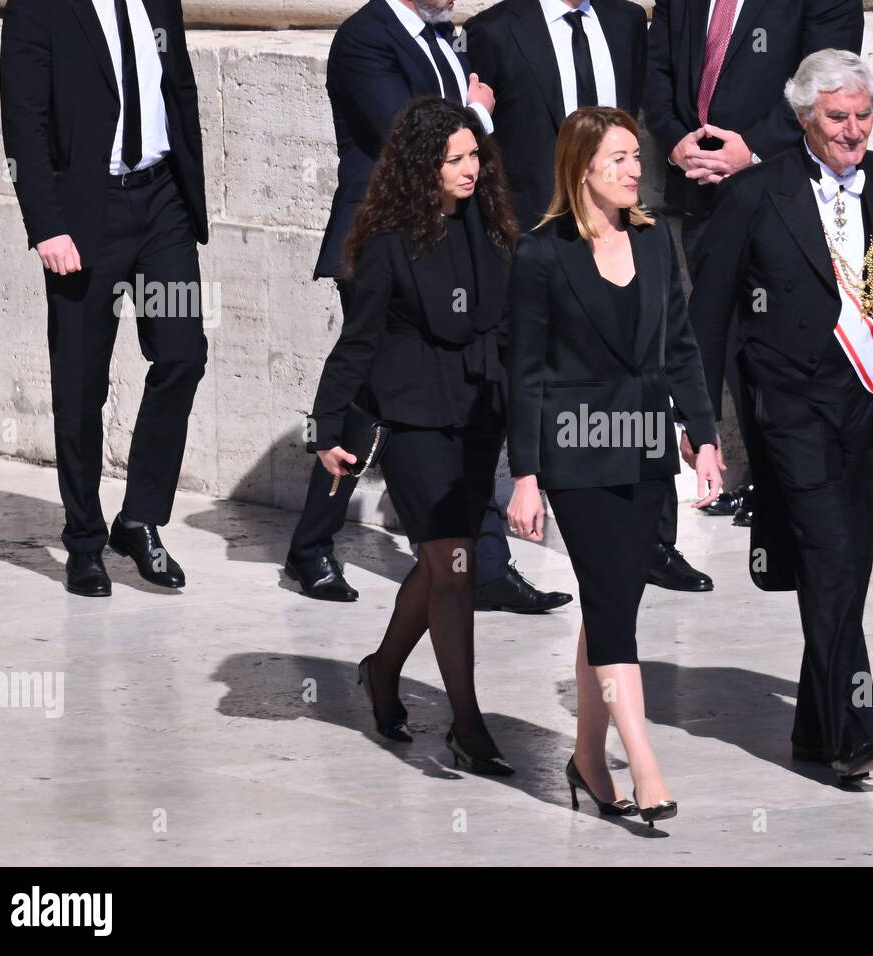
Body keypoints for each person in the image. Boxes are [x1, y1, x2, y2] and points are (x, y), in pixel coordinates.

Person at [689, 50, 873, 781]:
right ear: (804, 121)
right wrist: (700, 427)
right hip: (789, 407)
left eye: (862, 116)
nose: (853, 131)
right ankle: (852, 734)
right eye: (837, 118)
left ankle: (810, 725)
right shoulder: (757, 192)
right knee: (828, 560)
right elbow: (708, 312)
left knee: (846, 571)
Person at [286, 0, 570, 615]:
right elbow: (404, 139)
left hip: (450, 239)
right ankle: (312, 544)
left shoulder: (449, 35)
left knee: (474, 390)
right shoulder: (365, 38)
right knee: (366, 402)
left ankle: (486, 567)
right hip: (385, 241)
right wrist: (479, 114)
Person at [506, 108, 724, 822]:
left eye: (637, 157)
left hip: (645, 449)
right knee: (610, 605)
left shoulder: (657, 242)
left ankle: (587, 759)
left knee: (612, 606)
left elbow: (682, 345)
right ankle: (645, 762)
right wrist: (528, 475)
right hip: (574, 455)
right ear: (581, 168)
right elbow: (527, 374)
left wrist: (703, 432)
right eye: (620, 159)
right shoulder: (540, 255)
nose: (636, 170)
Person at [310, 98, 516, 774]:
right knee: (455, 568)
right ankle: (468, 725)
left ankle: (382, 670)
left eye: (473, 156)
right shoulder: (386, 243)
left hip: (479, 420)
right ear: (421, 166)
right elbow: (358, 340)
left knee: (438, 569)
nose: (468, 169)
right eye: (453, 158)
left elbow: (513, 325)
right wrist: (327, 425)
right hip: (415, 424)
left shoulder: (492, 228)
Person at [642, 0, 865, 559]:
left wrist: (753, 148)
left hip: (780, 189)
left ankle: (793, 483)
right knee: (724, 333)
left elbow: (829, 80)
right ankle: (761, 479)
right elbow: (659, 68)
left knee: (782, 336)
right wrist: (674, 140)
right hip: (700, 187)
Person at [0, 0, 209, 596]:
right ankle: (85, 541)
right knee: (80, 383)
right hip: (86, 217)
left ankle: (139, 519)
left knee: (182, 353)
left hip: (161, 206)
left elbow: (180, 87)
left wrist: (190, 188)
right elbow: (23, 118)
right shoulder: (38, 9)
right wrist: (45, 224)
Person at [463, 0, 648, 232]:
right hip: (534, 225)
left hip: (617, 223)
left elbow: (631, 105)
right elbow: (476, 137)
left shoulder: (629, 20)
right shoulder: (491, 30)